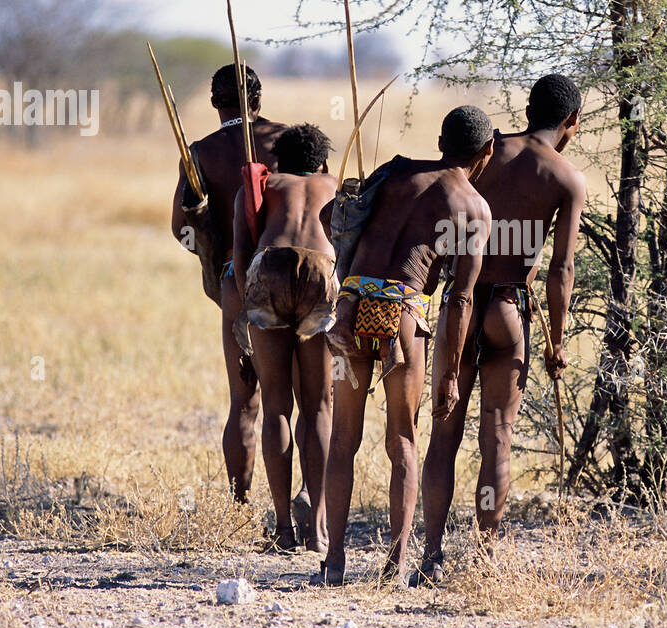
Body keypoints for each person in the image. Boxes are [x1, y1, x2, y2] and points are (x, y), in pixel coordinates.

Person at [413, 74, 586, 584]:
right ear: (571, 123)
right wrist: (557, 340)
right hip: (509, 310)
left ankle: (430, 556)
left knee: (444, 434)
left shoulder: (484, 151)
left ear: (529, 109)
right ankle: (484, 560)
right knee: (497, 438)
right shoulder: (566, 178)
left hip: (459, 307)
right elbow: (561, 270)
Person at [318, 106, 495, 585]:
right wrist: (452, 373)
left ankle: (332, 564)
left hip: (350, 310)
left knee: (343, 441)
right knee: (402, 441)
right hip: (402, 317)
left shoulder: (395, 169)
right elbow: (460, 298)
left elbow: (329, 214)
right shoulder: (473, 207)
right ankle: (394, 567)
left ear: (439, 141)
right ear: (487, 151)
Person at [169, 63, 289, 502]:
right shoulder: (289, 140)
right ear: (258, 100)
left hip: (234, 283)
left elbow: (181, 228)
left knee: (246, 400)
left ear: (215, 104)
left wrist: (218, 258)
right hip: (295, 277)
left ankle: (239, 506)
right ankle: (304, 513)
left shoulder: (198, 153)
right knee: (307, 400)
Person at [232, 124, 338, 552]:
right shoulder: (338, 185)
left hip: (269, 266)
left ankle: (281, 528)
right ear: (322, 163)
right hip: (321, 271)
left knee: (276, 404)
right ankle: (318, 527)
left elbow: (242, 253)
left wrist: (246, 312)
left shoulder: (260, 184)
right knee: (317, 406)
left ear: (279, 163)